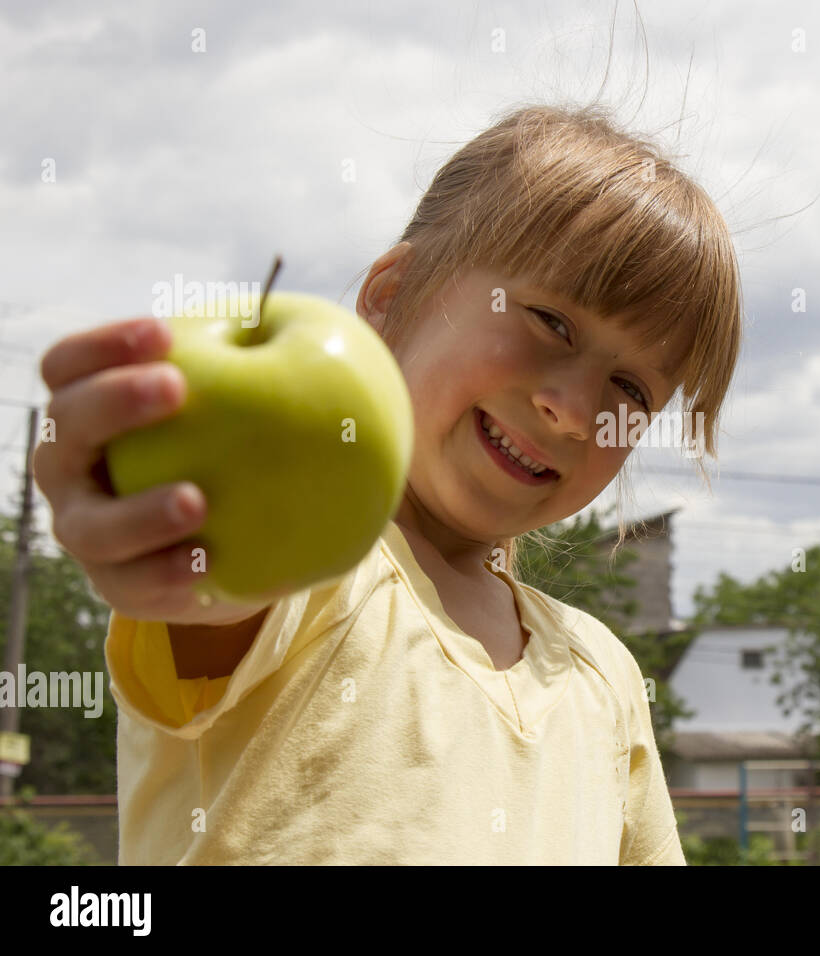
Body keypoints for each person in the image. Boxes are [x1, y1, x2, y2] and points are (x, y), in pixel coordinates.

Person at [33, 102, 744, 864]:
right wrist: (153, 503)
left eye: (632, 389)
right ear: (391, 296)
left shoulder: (605, 676)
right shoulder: (311, 564)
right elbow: (215, 586)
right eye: (550, 322)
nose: (572, 411)